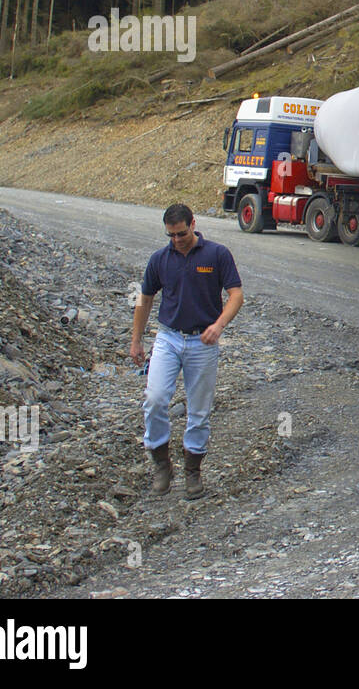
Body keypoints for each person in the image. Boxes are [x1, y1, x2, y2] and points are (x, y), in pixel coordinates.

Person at [130, 204, 243, 499]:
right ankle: (161, 464)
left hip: (202, 343)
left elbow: (236, 294)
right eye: (171, 235)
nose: (177, 239)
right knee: (154, 400)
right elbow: (145, 299)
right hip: (168, 338)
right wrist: (136, 340)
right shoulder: (159, 259)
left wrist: (219, 325)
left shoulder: (217, 255)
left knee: (199, 410)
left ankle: (193, 470)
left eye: (182, 233)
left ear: (193, 224)